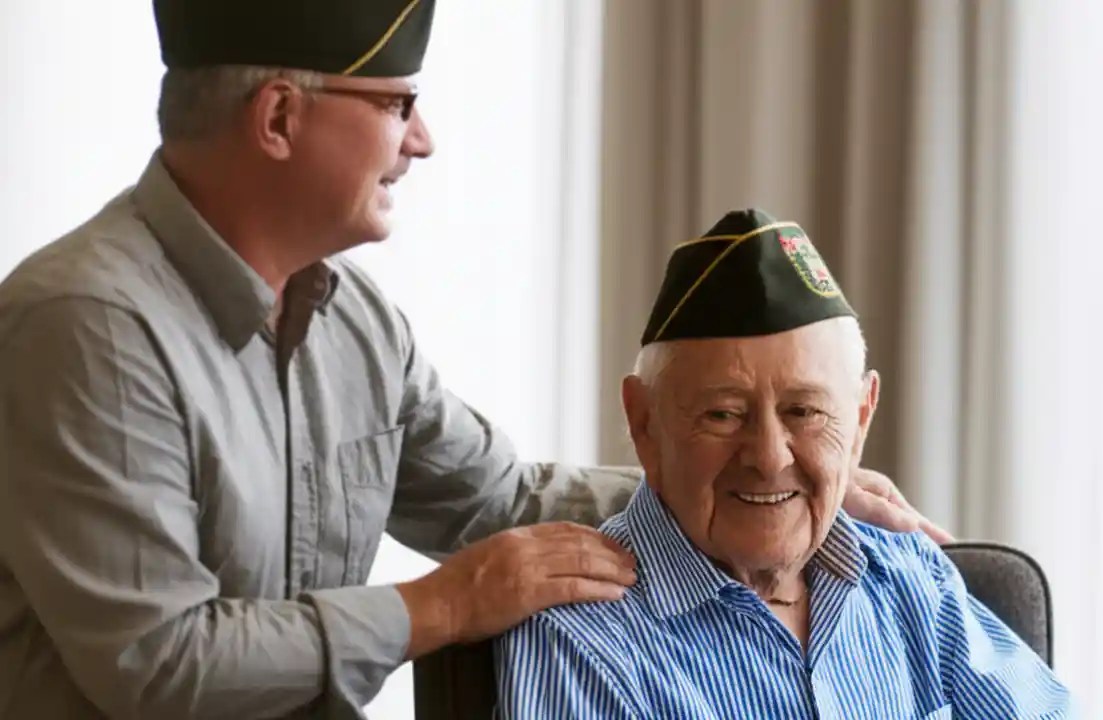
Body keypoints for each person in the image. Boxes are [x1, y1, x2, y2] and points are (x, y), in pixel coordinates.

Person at [0, 3, 944, 718]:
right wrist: (439, 607)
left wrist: (740, 485)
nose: (421, 140)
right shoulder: (85, 325)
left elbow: (501, 497)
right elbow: (157, 663)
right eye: (397, 104)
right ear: (279, 117)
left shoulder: (356, 324)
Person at [496, 209, 1072, 719]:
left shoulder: (912, 580)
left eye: (804, 412)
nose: (770, 457)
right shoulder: (578, 637)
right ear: (644, 422)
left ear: (862, 417)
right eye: (723, 415)